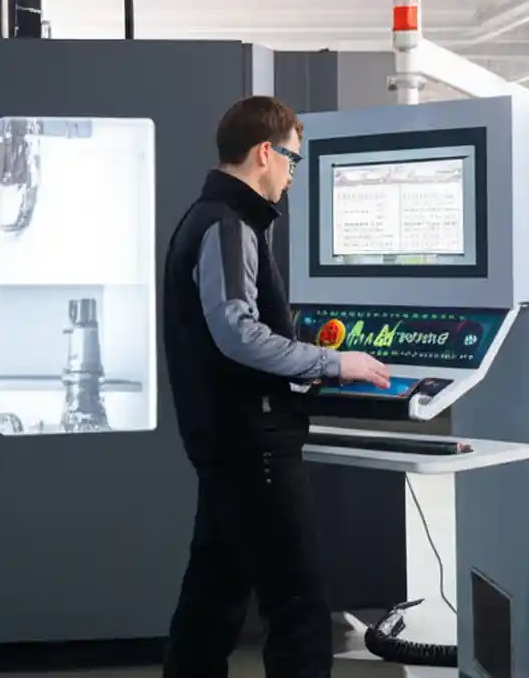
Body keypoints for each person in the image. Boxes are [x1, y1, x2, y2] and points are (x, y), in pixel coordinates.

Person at [160, 96, 391, 678]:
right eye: (292, 159)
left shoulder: (206, 217)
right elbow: (238, 333)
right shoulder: (227, 224)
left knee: (213, 598)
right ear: (265, 152)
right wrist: (333, 363)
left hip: (226, 439)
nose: (292, 175)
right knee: (298, 606)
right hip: (253, 445)